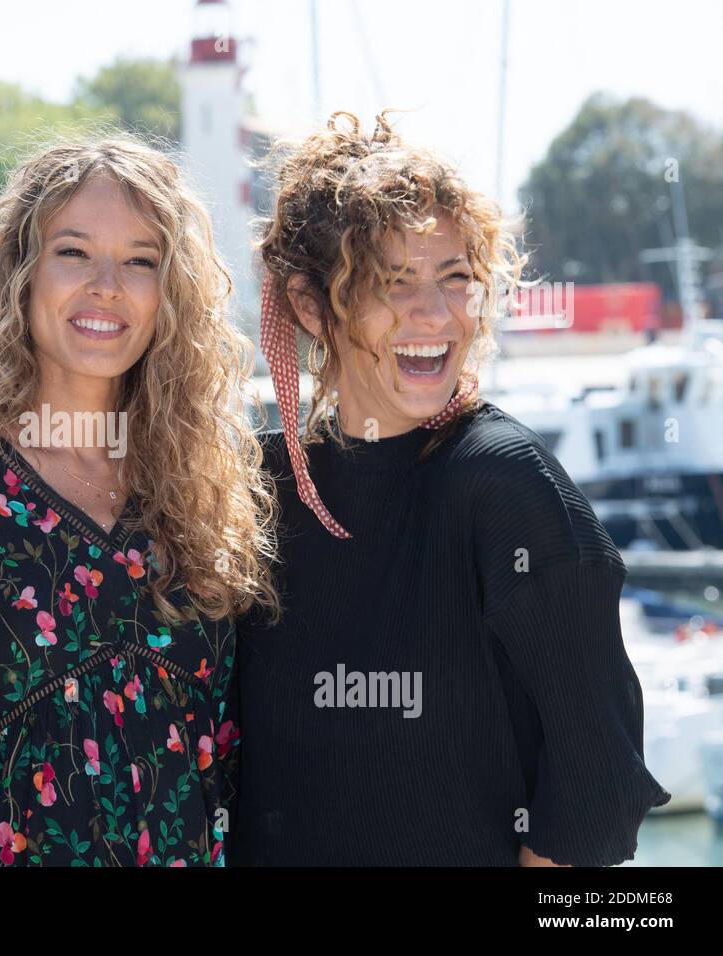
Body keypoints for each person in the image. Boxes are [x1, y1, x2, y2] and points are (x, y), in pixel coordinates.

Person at [231, 111, 670, 866]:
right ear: (309, 305)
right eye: (391, 281)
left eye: (455, 277)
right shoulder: (259, 487)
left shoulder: (504, 483)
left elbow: (594, 789)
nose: (433, 315)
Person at [0, 136, 279, 865]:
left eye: (140, 260)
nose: (107, 285)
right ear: (19, 273)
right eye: (73, 252)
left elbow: (233, 742)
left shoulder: (205, 483)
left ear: (171, 292)